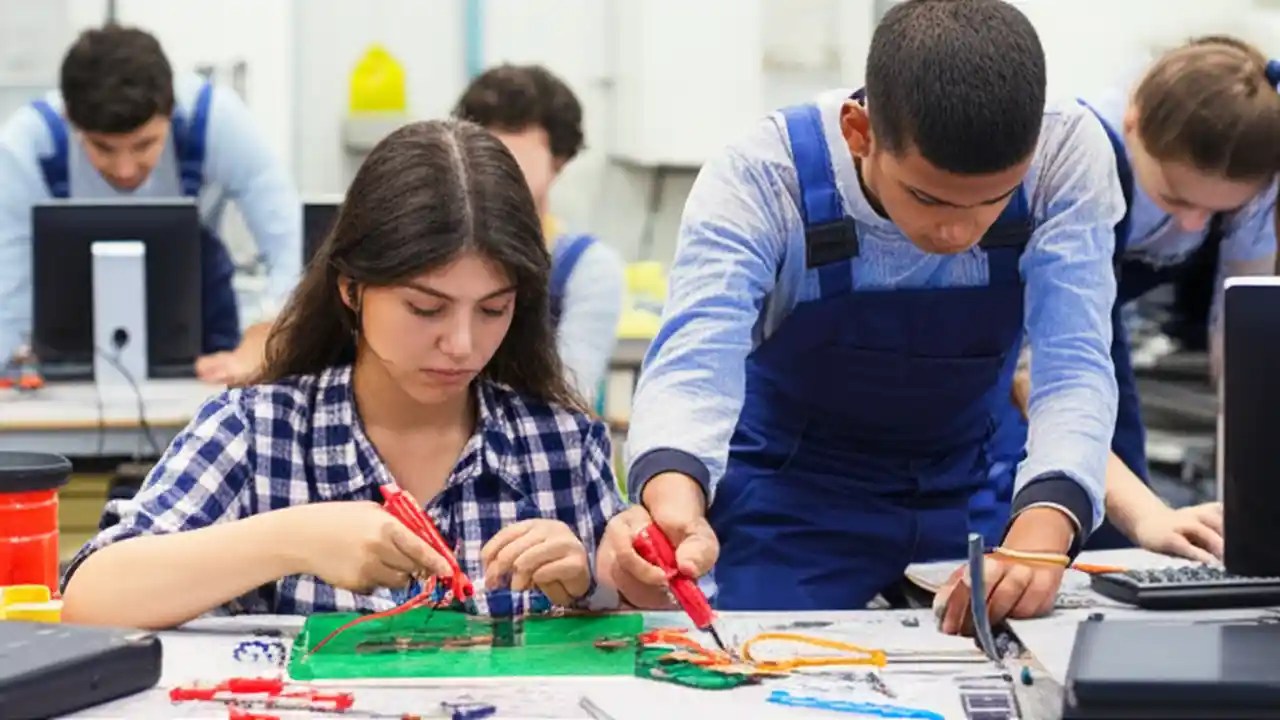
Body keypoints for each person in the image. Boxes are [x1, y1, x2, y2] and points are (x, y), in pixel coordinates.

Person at [597, 0, 1124, 630]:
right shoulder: (766, 177)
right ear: (859, 131)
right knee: (755, 663)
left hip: (970, 493)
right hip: (791, 504)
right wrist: (675, 506)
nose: (958, 230)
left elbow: (1075, 363)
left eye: (994, 200)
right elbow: (693, 364)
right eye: (927, 197)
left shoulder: (1067, 155)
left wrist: (1044, 527)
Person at [60, 119, 625, 629]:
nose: (461, 344)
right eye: (425, 309)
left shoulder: (561, 446)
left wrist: (588, 587)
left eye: (493, 309)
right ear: (351, 288)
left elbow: (653, 612)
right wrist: (291, 539)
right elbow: (91, 598)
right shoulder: (259, 433)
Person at [999, 35, 1280, 564]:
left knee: (1123, 514)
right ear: (1133, 121)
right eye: (1175, 199)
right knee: (1047, 490)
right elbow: (1042, 372)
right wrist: (1146, 512)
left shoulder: (1256, 183)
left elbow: (1243, 337)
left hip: (1107, 322)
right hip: (1027, 322)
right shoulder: (1081, 158)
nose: (1195, 224)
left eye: (1217, 213)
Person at [0, 24, 301, 386]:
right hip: (70, 355)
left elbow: (290, 255)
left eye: (144, 145)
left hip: (204, 343)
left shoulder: (217, 120)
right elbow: (9, 292)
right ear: (70, 120)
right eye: (103, 148)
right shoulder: (27, 146)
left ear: (171, 111)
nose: (125, 170)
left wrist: (264, 342)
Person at [453, 64, 625, 407]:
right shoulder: (441, 249)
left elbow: (572, 395)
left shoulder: (587, 268)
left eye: (516, 145)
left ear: (558, 160)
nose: (497, 164)